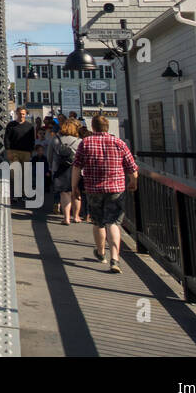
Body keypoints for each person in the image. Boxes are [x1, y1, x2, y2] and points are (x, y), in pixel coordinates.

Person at [70, 114, 138, 274]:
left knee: (98, 222)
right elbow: (132, 167)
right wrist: (133, 182)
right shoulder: (119, 143)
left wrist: (74, 186)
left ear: (93, 127)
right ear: (107, 127)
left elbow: (77, 166)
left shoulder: (85, 143)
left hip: (94, 189)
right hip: (116, 188)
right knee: (113, 222)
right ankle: (115, 258)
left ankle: (101, 253)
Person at [52, 119, 82, 224]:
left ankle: (66, 218)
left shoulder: (56, 139)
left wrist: (52, 168)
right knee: (76, 193)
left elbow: (49, 156)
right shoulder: (79, 141)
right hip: (75, 169)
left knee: (64, 194)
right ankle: (76, 216)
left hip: (60, 169)